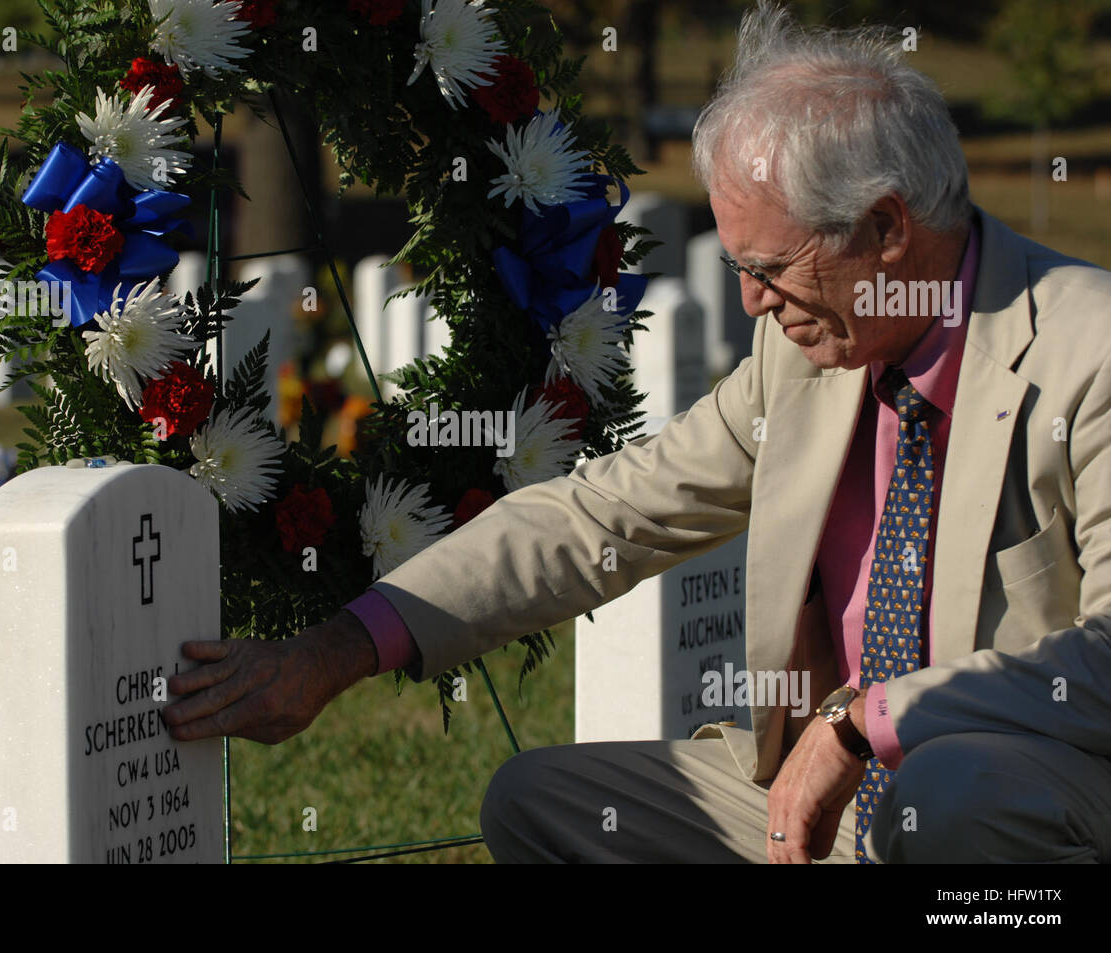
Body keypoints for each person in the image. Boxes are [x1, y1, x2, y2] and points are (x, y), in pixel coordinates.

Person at [161, 1, 1111, 863]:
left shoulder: (1089, 354)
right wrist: (335, 651)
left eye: (770, 265)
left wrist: (868, 722)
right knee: (538, 804)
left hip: (1024, 799)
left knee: (946, 800)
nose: (749, 300)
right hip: (828, 807)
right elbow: (600, 515)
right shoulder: (806, 360)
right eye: (734, 264)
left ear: (888, 230)